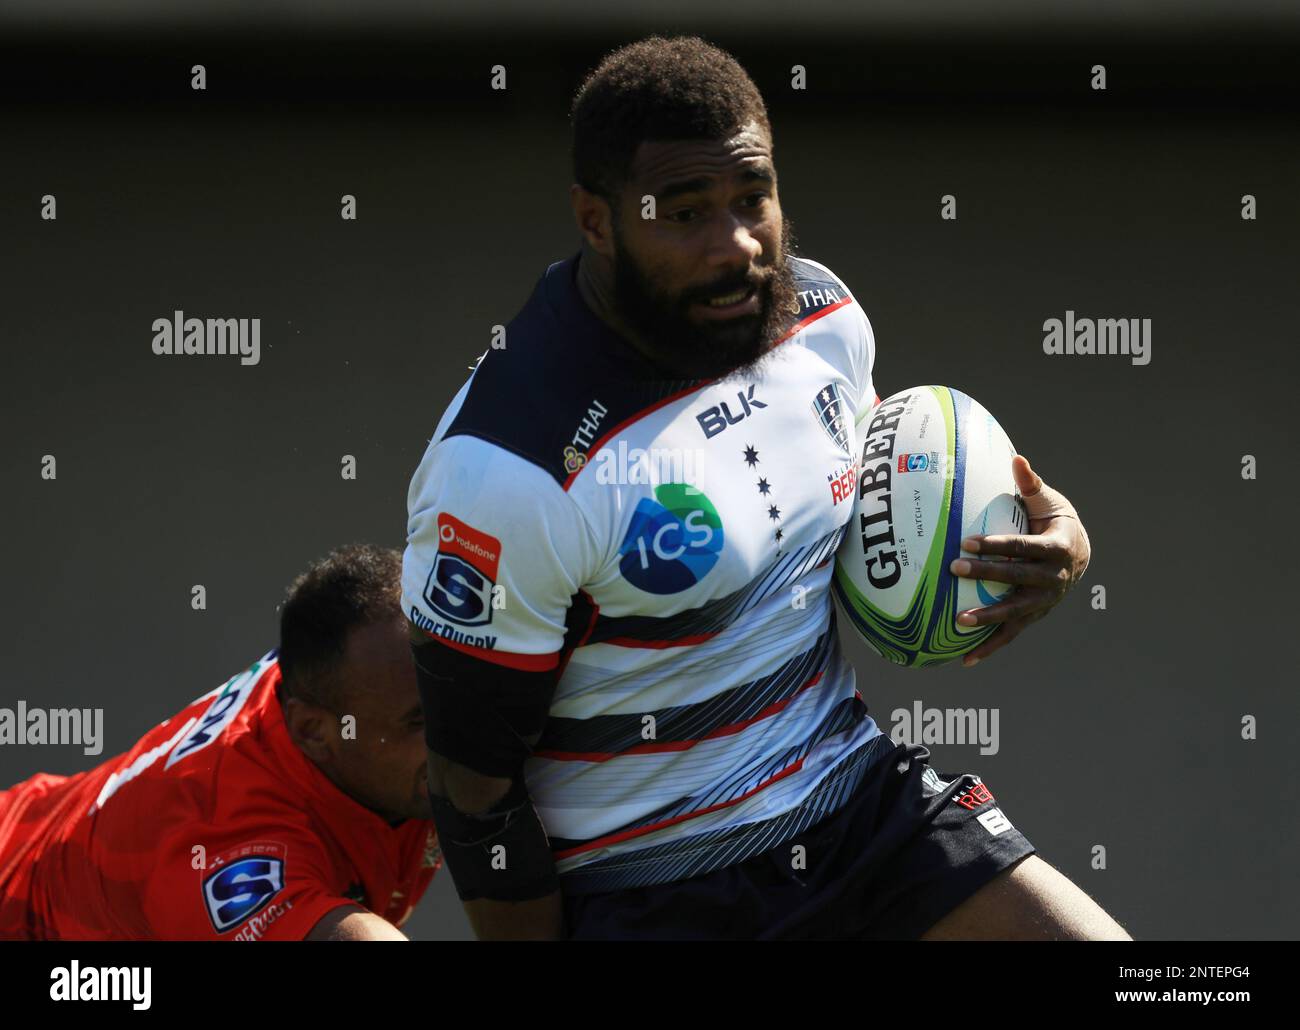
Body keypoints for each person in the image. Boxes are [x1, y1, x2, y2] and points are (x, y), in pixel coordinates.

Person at [402, 36, 1129, 941]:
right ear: (596, 221)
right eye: (684, 213)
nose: (735, 246)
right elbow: (472, 789)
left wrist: (1047, 543)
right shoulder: (507, 470)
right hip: (653, 890)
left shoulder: (822, 319)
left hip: (860, 807)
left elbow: (871, 506)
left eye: (753, 198)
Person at [0, 544, 439, 941]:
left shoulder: (359, 688)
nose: (459, 735)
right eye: (417, 721)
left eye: (460, 698)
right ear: (314, 731)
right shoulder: (224, 829)